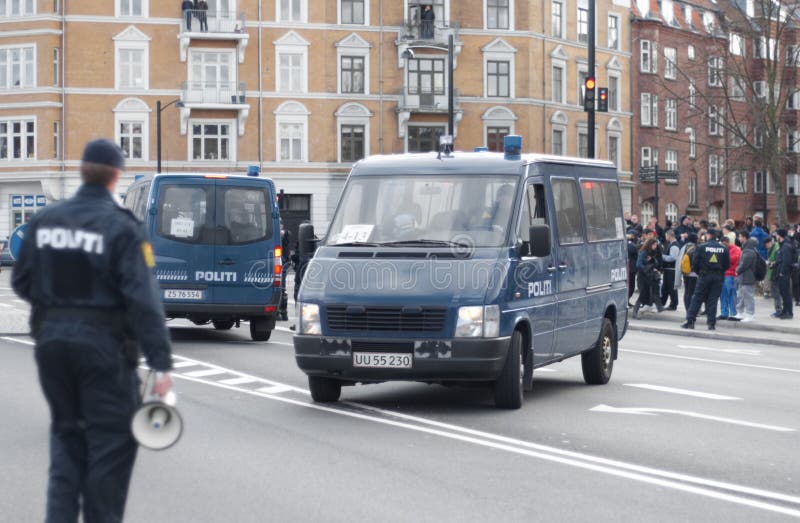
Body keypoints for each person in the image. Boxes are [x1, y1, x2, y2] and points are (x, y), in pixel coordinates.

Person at [12, 139, 173, 522]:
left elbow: (20, 280)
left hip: (52, 346)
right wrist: (161, 364)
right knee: (111, 447)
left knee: (67, 440)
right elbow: (144, 300)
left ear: (83, 172)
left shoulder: (45, 220)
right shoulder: (122, 228)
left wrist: (54, 306)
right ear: (115, 177)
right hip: (103, 349)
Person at [682, 228, 730, 330]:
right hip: (717, 277)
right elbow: (726, 265)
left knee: (697, 298)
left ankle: (690, 321)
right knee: (713, 300)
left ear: (708, 235)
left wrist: (699, 273)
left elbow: (695, 263)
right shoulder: (723, 248)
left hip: (704, 275)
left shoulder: (701, 247)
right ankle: (711, 324)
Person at [632, 238, 663, 319]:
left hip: (649, 277)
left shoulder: (651, 253)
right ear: (650, 245)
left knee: (647, 294)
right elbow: (638, 264)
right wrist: (647, 268)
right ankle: (635, 313)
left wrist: (652, 260)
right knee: (642, 295)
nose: (656, 246)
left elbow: (656, 263)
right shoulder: (644, 252)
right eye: (654, 245)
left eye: (656, 245)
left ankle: (657, 306)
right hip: (643, 277)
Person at [733, 231, 757, 322]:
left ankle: (750, 314)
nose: (739, 238)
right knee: (741, 295)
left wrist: (737, 270)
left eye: (740, 236)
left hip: (748, 276)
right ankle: (740, 313)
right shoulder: (746, 248)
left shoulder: (749, 250)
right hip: (743, 277)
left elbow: (744, 264)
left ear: (744, 237)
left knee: (748, 296)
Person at [774, 228, 795, 319]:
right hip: (780, 272)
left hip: (784, 273)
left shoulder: (786, 246)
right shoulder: (782, 245)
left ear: (780, 236)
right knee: (783, 293)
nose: (775, 236)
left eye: (777, 234)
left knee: (786, 293)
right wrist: (774, 264)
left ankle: (789, 313)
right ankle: (784, 311)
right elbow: (780, 259)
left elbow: (787, 261)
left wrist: (782, 272)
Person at [675, 232, 698, 311]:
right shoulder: (695, 248)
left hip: (685, 272)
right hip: (693, 274)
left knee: (687, 292)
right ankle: (691, 310)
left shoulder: (684, 247)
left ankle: (687, 309)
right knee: (692, 293)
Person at [719, 235, 740, 320]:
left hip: (731, 275)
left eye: (724, 244)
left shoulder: (736, 249)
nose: (723, 246)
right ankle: (724, 313)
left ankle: (733, 313)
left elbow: (734, 259)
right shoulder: (722, 249)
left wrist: (723, 257)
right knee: (723, 295)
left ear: (728, 242)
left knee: (732, 294)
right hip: (723, 274)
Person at [660, 229, 680, 309]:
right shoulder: (672, 244)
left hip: (671, 270)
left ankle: (673, 304)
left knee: (671, 288)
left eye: (666, 236)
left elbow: (673, 258)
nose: (665, 237)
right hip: (669, 269)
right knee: (666, 287)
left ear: (669, 236)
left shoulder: (674, 245)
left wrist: (663, 257)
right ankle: (662, 303)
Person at [279, 220, 291, 321]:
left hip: (283, 263)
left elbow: (287, 233)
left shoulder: (284, 234)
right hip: (276, 262)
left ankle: (283, 312)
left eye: (280, 224)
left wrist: (283, 232)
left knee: (282, 288)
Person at [764, 236, 780, 309]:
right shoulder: (771, 248)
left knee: (776, 290)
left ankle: (778, 308)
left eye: (767, 244)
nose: (766, 246)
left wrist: (770, 262)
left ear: (770, 242)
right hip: (772, 268)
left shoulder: (777, 248)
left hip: (776, 270)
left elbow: (777, 260)